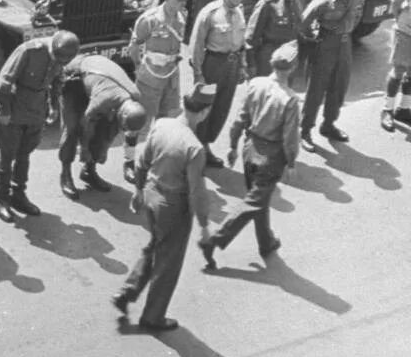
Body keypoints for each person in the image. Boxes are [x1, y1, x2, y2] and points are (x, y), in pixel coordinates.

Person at [112, 85, 214, 331]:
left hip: (150, 196)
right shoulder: (194, 148)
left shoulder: (162, 124)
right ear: (205, 112)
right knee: (168, 262)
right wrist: (204, 225)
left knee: (156, 246)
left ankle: (128, 291)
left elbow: (141, 162)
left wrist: (137, 191)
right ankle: (153, 317)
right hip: (173, 207)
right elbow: (197, 191)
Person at [199, 43, 301, 267]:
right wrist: (291, 162)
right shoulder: (290, 99)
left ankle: (266, 242)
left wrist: (233, 146)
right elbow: (290, 136)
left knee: (258, 200)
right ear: (292, 69)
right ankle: (215, 239)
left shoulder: (255, 84)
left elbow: (239, 119)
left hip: (249, 149)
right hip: (271, 157)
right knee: (254, 201)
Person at [0, 31, 81, 223]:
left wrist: (53, 106)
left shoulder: (62, 55)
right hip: (15, 107)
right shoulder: (30, 51)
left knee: (25, 154)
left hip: (36, 110)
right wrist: (5, 111)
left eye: (65, 61)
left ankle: (19, 195)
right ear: (53, 47)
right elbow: (5, 81)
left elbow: (58, 79)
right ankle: (2, 200)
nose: (60, 62)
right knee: (7, 155)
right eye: (58, 58)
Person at [58, 54, 149, 200]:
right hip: (75, 76)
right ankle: (65, 174)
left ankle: (89, 171)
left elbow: (131, 131)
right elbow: (86, 123)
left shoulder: (135, 97)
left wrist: (129, 158)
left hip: (98, 78)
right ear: (121, 114)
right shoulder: (103, 100)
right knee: (72, 127)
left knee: (107, 129)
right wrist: (85, 150)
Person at [127, 0, 189, 181]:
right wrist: (139, 69)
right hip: (150, 78)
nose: (182, 4)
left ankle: (157, 161)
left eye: (184, 1)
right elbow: (134, 48)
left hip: (171, 78)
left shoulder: (182, 17)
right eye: (179, 0)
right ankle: (128, 161)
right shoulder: (150, 19)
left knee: (168, 122)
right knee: (139, 123)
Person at [300, 0, 365, 151]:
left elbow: (356, 20)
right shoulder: (323, 0)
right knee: (316, 89)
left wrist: (345, 32)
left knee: (339, 86)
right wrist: (313, 38)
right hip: (325, 44)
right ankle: (305, 129)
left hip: (345, 45)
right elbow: (304, 22)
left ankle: (328, 125)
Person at [189, 0, 249, 167]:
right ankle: (194, 150)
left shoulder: (239, 11)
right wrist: (198, 74)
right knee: (204, 108)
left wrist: (242, 67)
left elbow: (241, 42)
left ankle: (205, 146)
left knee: (221, 109)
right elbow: (197, 45)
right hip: (212, 66)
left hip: (231, 66)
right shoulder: (210, 12)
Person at [245, 0, 308, 82]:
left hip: (290, 56)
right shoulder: (268, 4)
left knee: (285, 93)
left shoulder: (301, 0)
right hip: (268, 58)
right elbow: (250, 39)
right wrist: (251, 65)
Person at [380, 0, 411, 132]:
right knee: (399, 69)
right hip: (406, 30)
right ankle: (387, 109)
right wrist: (399, 18)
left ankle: (404, 109)